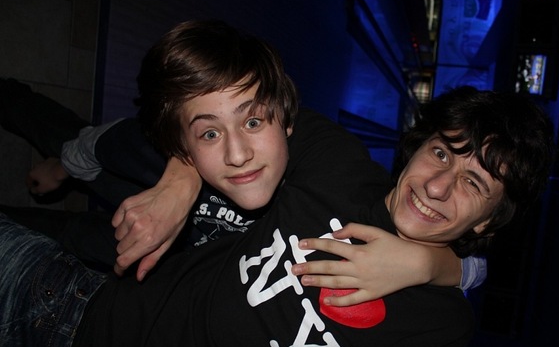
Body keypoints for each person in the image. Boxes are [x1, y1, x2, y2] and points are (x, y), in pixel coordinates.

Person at [0, 76, 554, 347]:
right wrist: (181, 177)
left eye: (473, 183)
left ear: (488, 220)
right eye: (441, 153)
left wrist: (435, 266)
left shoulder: (442, 325)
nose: (436, 186)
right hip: (73, 309)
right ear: (418, 146)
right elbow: (224, 105)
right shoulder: (338, 164)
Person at [0, 21, 483, 303]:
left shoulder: (335, 184)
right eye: (440, 153)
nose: (238, 155)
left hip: (125, 249)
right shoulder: (171, 146)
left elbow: (477, 266)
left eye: (254, 122)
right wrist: (67, 168)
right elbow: (106, 142)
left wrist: (428, 264)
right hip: (119, 172)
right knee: (51, 126)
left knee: (47, 234)